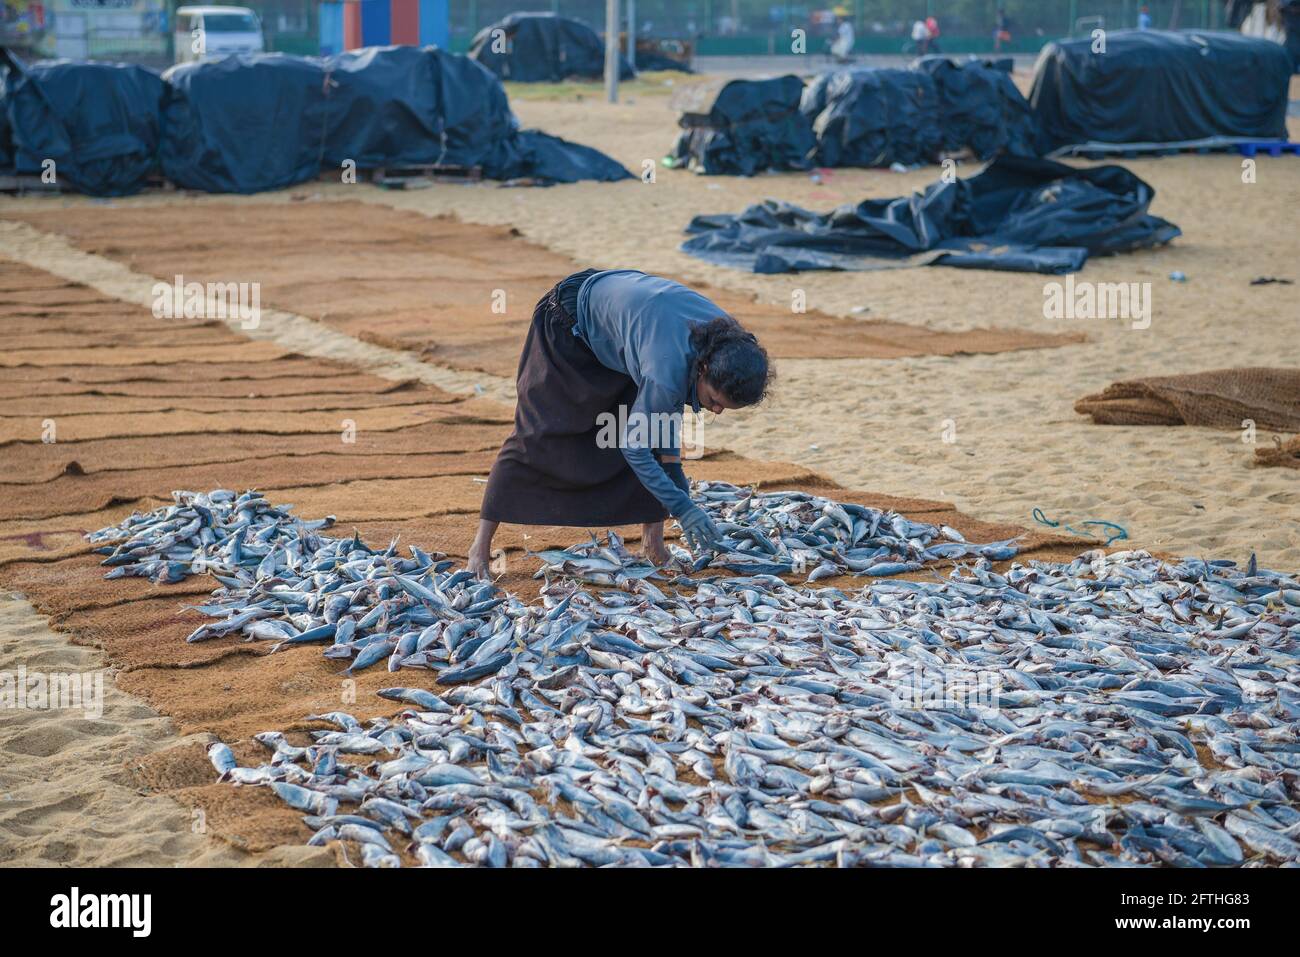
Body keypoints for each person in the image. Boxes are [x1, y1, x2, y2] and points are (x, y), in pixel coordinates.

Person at [467, 269, 773, 578]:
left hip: (627, 329)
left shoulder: (728, 343)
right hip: (567, 320)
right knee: (537, 436)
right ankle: (479, 550)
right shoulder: (666, 367)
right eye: (715, 401)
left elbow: (665, 411)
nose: (717, 411)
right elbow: (636, 445)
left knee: (652, 440)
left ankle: (653, 547)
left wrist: (673, 465)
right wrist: (682, 507)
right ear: (704, 368)